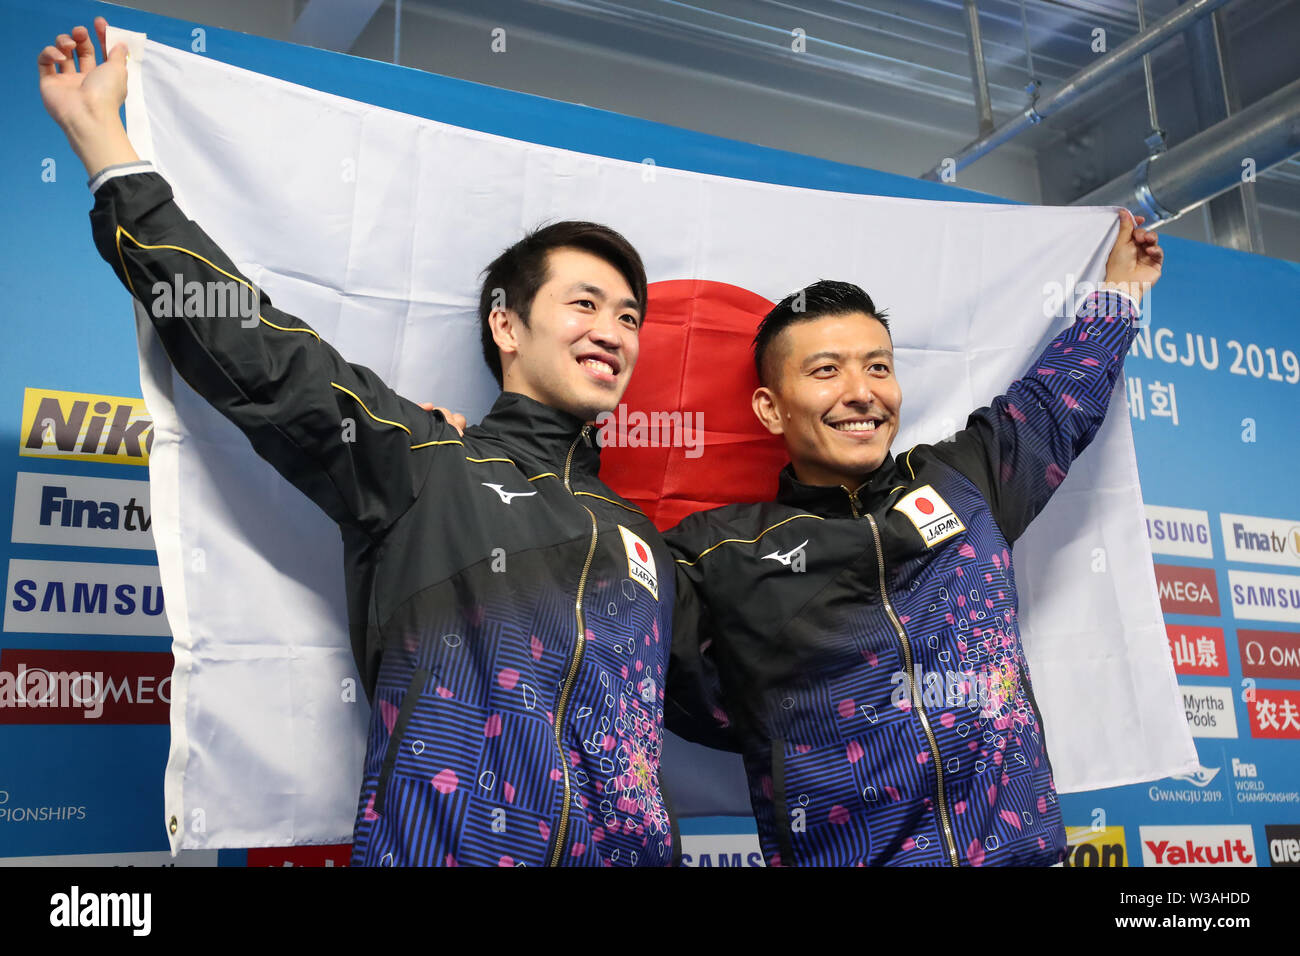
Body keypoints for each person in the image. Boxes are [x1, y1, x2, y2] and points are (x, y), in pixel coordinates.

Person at [39, 16, 706, 867]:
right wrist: (105, 145)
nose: (612, 330)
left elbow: (748, 693)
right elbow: (257, 352)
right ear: (507, 324)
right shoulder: (425, 461)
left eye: (628, 318)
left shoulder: (640, 536)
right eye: (583, 304)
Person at [665, 215, 1162, 865]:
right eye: (826, 371)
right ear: (770, 407)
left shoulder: (964, 479)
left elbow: (1057, 400)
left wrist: (1119, 294)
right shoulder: (717, 552)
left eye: (878, 366)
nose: (861, 392)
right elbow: (633, 657)